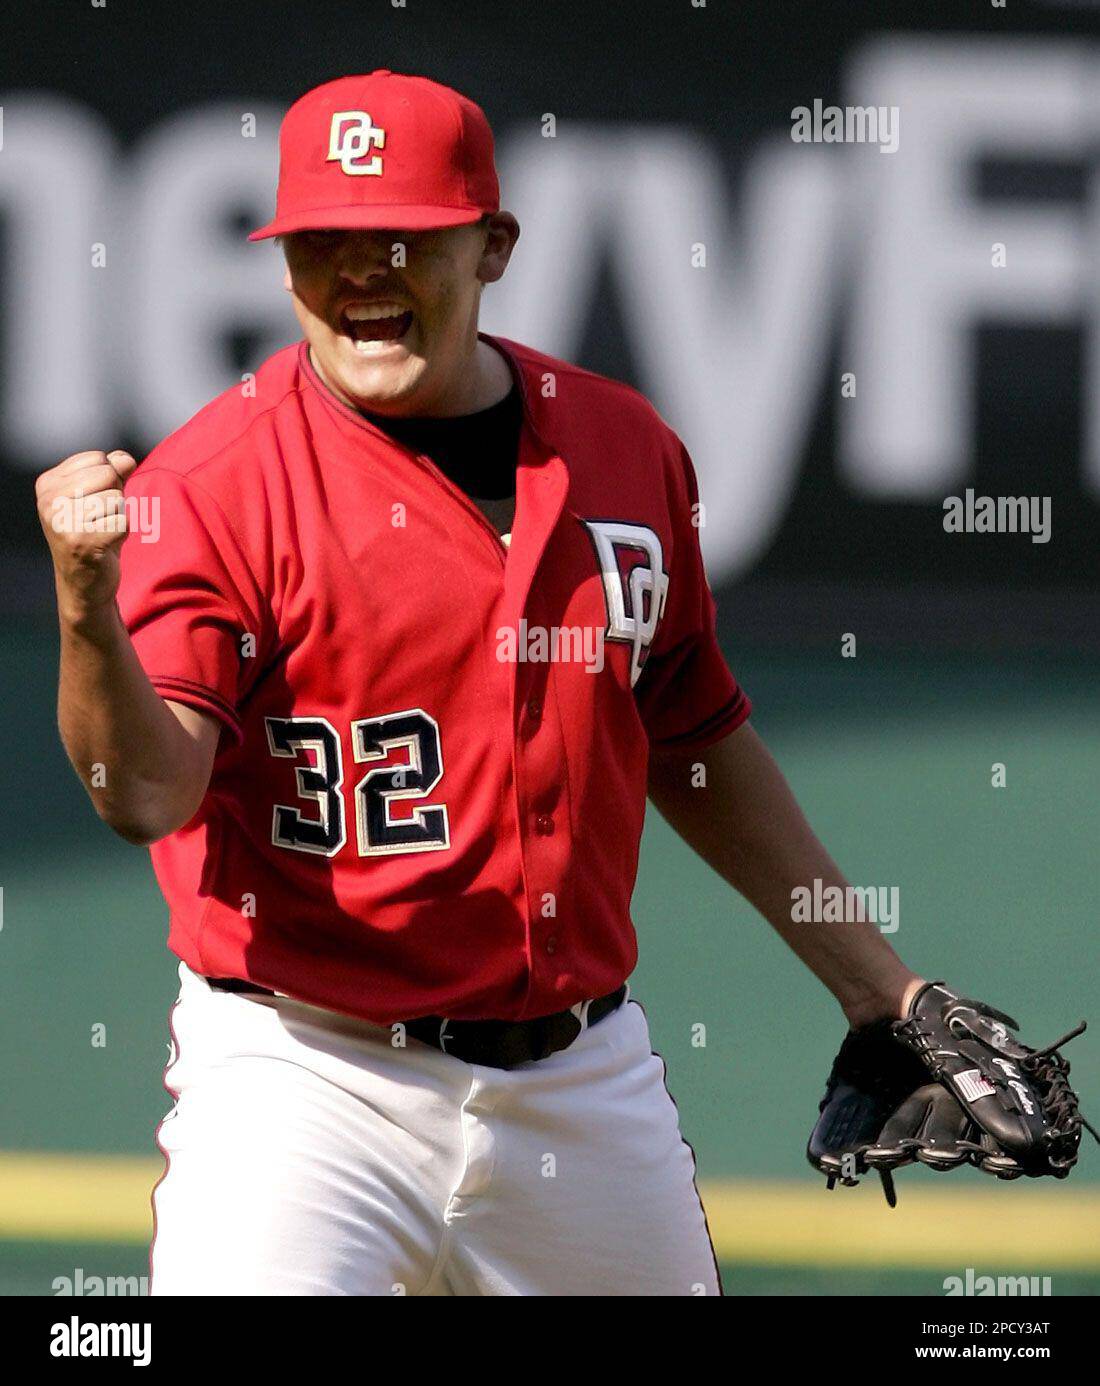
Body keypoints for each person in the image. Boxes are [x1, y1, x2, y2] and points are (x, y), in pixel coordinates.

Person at [36, 71, 928, 1296]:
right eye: (323, 241)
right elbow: (143, 793)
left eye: (399, 235)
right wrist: (87, 613)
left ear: (491, 246)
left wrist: (881, 992)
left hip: (580, 1081)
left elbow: (693, 737)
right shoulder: (213, 487)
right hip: (302, 1077)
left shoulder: (620, 449)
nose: (359, 271)